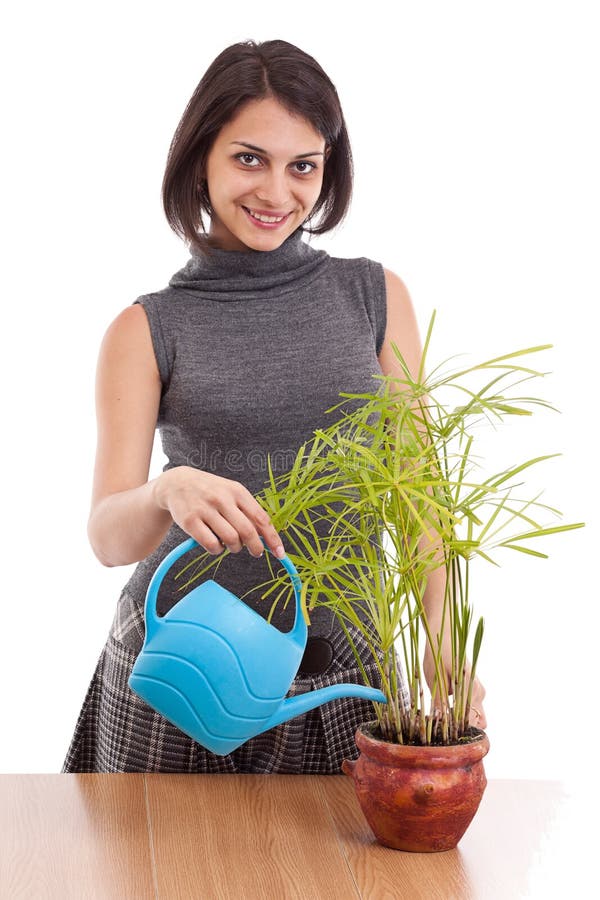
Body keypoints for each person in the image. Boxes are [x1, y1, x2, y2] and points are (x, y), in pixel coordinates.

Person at [61, 38, 486, 775]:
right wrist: (167, 489)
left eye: (304, 166)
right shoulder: (146, 327)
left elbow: (421, 496)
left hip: (344, 677)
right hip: (182, 673)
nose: (277, 193)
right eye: (249, 158)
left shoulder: (374, 296)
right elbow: (108, 538)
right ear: (201, 157)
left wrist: (446, 653)